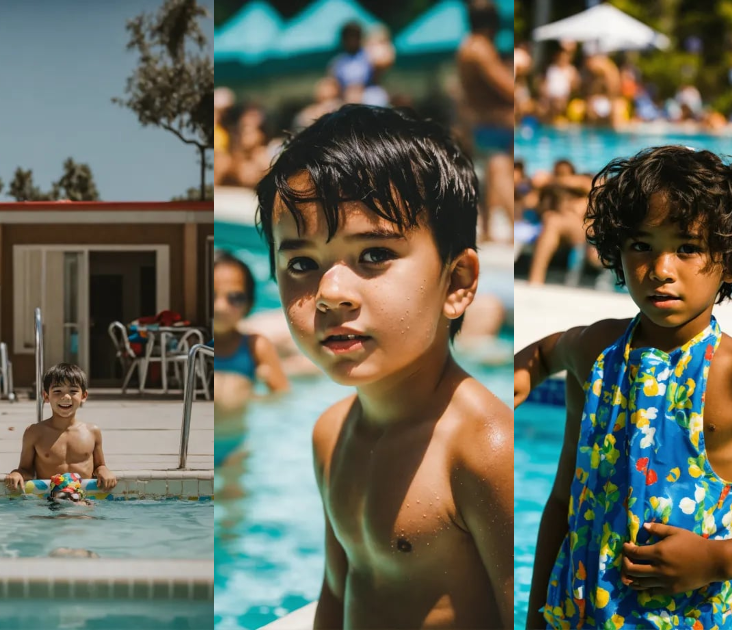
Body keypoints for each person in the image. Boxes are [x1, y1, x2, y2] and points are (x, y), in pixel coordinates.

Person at [515, 146, 732, 630]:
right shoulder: (598, 351)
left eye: (688, 248)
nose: (661, 268)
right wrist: (525, 369)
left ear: (729, 262)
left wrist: (720, 560)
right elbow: (562, 501)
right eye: (641, 245)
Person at [255, 104, 513, 629]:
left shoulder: (481, 449)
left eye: (373, 254)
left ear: (458, 282)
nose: (330, 294)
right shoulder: (330, 435)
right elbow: (336, 590)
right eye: (301, 263)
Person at [212, 250, 290, 466]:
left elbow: (282, 397)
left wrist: (253, 397)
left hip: (235, 445)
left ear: (249, 302)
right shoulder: (192, 345)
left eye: (234, 297)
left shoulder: (256, 346)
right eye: (212, 295)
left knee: (233, 498)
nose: (221, 306)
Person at [457, 0, 517, 243]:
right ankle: (515, 228)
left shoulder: (467, 47)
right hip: (493, 123)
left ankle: (489, 230)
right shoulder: (479, 49)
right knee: (500, 171)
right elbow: (506, 87)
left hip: (483, 122)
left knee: (491, 176)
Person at [4, 364, 117, 493]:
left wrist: (104, 470)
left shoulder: (92, 432)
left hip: (84, 501)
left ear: (84, 396)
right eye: (57, 391)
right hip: (50, 503)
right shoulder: (34, 433)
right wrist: (17, 474)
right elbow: (26, 470)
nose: (66, 397)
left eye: (73, 391)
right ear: (46, 396)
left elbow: (99, 466)